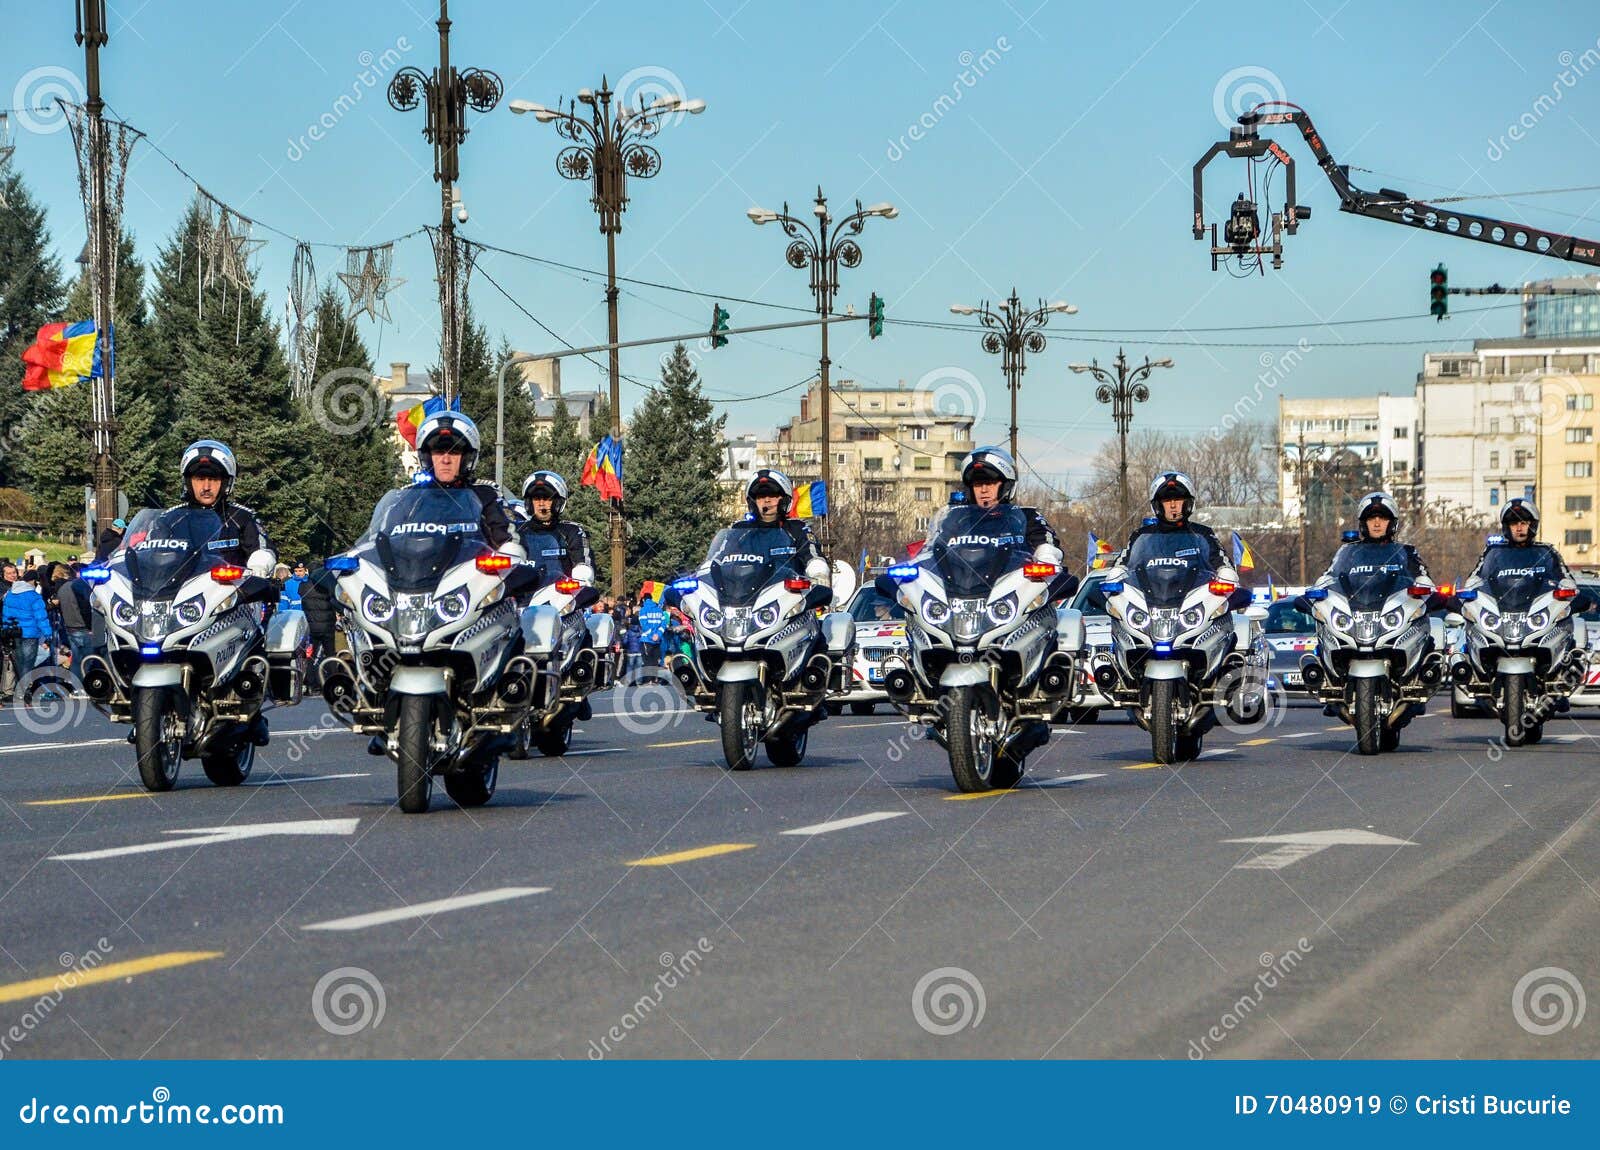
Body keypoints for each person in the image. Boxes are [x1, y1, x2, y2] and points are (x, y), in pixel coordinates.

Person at [413, 411, 514, 550]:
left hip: (472, 570)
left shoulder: (485, 495)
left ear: (467, 458)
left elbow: (509, 538)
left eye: (454, 453)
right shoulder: (410, 498)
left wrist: (511, 551)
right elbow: (380, 539)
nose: (446, 460)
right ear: (426, 456)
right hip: (417, 570)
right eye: (438, 452)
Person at [177, 440, 274, 572]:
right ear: (188, 482)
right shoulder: (172, 519)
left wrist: (259, 565)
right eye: (200, 479)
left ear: (226, 483)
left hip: (230, 589)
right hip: (181, 591)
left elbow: (262, 548)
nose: (206, 487)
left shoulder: (241, 516)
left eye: (213, 479)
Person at [727, 468, 831, 585]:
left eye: (773, 495)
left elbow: (812, 555)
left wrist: (819, 573)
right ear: (752, 502)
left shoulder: (797, 529)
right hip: (746, 596)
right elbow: (719, 560)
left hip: (790, 597)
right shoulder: (740, 530)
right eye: (760, 496)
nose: (767, 500)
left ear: (785, 498)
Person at [517, 470, 594, 580]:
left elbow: (584, 563)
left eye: (547, 498)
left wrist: (583, 572)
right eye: (536, 498)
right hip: (523, 593)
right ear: (529, 503)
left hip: (560, 593)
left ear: (558, 502)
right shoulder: (518, 530)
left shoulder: (572, 531)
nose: (541, 503)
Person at [2, 571, 52, 699]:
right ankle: (22, 692)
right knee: (27, 663)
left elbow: (6, 614)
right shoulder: (34, 596)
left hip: (14, 632)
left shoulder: (10, 594)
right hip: (30, 633)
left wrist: (6, 629)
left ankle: (17, 690)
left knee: (18, 662)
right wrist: (48, 634)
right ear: (34, 581)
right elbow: (41, 617)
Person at [54, 562, 96, 673]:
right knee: (89, 660)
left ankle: (75, 684)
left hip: (70, 627)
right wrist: (91, 627)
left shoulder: (62, 588)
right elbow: (85, 608)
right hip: (83, 627)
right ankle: (85, 685)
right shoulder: (80, 586)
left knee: (76, 660)